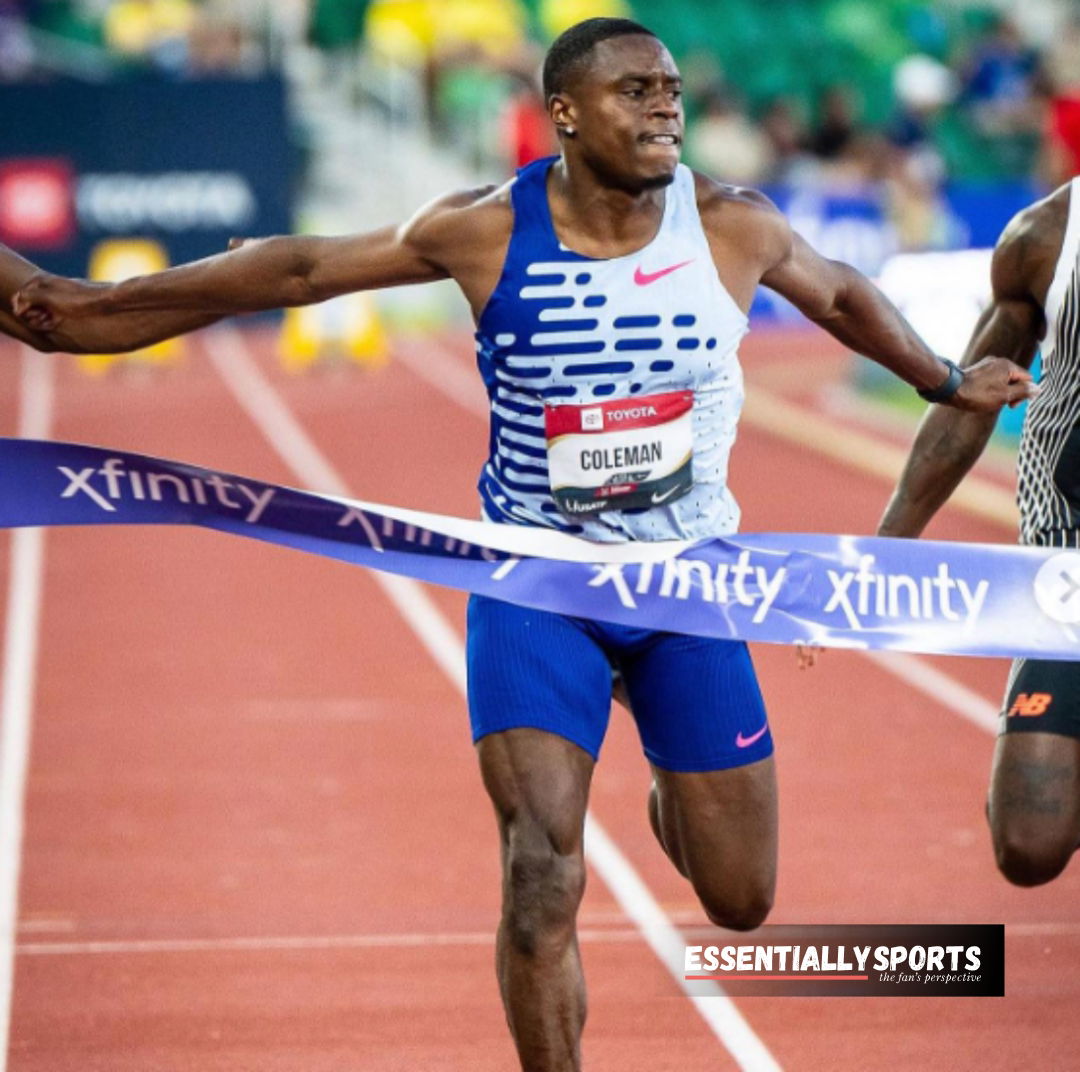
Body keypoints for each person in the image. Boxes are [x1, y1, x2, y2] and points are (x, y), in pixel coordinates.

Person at [10, 18, 1034, 1071]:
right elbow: (305, 269)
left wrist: (943, 379)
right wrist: (95, 307)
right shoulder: (485, 229)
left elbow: (843, 294)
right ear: (565, 114)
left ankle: (662, 755)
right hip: (534, 579)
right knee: (542, 873)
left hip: (687, 586)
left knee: (740, 898)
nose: (665, 108)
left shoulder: (731, 224)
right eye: (636, 91)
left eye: (672, 91)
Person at [878, 181, 1078, 889]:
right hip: (1068, 567)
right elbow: (972, 397)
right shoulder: (1046, 236)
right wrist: (890, 542)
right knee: (1028, 842)